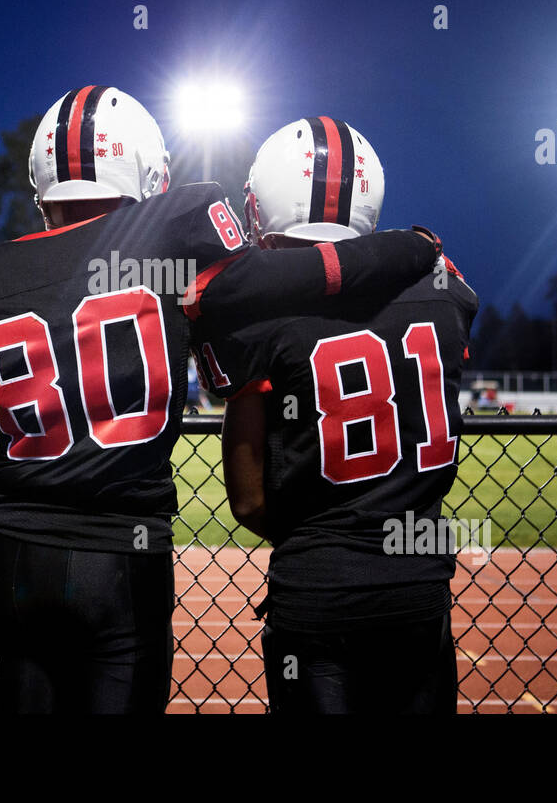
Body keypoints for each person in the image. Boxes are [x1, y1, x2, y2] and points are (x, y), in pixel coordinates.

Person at [0, 87, 442, 713]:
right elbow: (297, 275)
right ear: (147, 170)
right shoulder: (175, 229)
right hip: (124, 557)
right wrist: (412, 248)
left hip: (13, 559)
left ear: (42, 185)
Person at [193, 116, 477, 714]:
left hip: (316, 591)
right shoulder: (447, 291)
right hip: (419, 585)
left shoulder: (257, 310)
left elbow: (247, 500)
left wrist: (321, 544)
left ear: (261, 201)